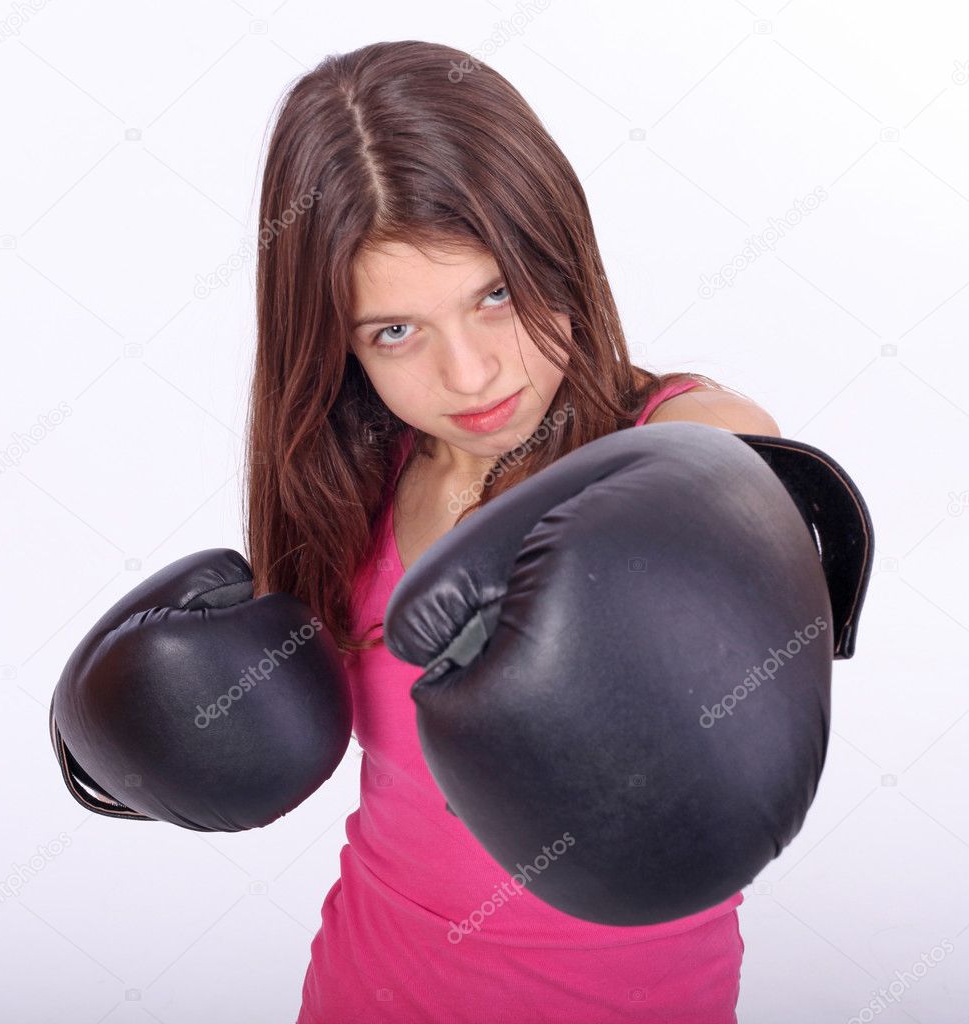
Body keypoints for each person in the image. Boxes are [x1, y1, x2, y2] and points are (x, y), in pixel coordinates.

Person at [239, 40, 780, 1023]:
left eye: (494, 294)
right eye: (395, 331)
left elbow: (727, 460)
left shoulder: (677, 442)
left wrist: (706, 490)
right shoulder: (358, 479)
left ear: (556, 253)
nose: (471, 373)